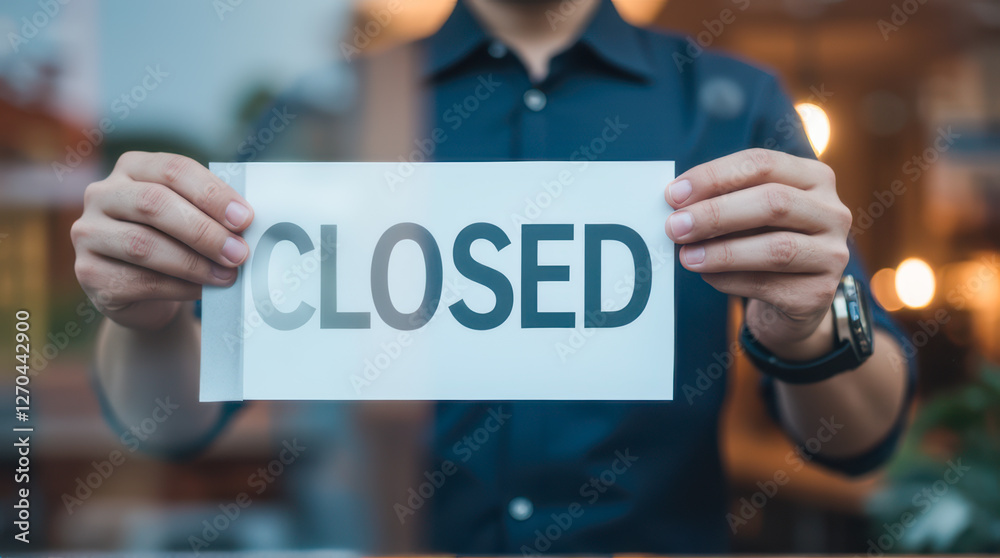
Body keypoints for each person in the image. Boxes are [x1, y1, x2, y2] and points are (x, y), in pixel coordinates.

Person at [71, 0, 915, 552]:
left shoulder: (734, 100)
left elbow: (856, 441)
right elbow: (174, 425)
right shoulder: (332, 109)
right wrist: (144, 312)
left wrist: (809, 327)